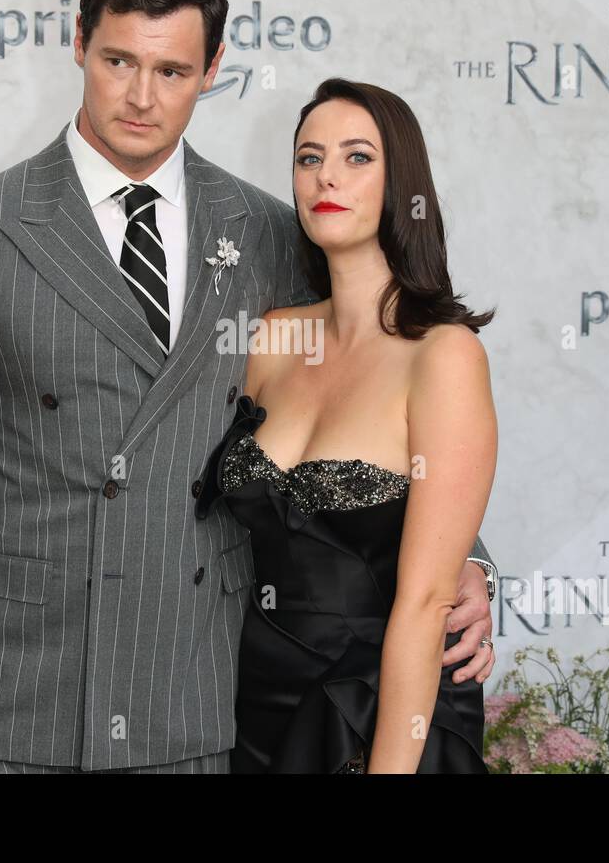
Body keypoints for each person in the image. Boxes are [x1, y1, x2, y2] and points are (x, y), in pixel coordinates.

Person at [0, 0, 497, 775]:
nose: (140, 96)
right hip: (21, 697)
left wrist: (470, 564)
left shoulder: (274, 230)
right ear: (77, 41)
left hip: (209, 698)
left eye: (170, 71)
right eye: (118, 60)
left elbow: (376, 394)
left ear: (213, 68)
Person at [192, 78, 497, 773]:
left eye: (357, 157)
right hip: (254, 703)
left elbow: (423, 601)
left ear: (402, 184)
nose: (326, 175)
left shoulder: (444, 355)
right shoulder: (268, 339)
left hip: (381, 711)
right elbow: (173, 452)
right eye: (308, 158)